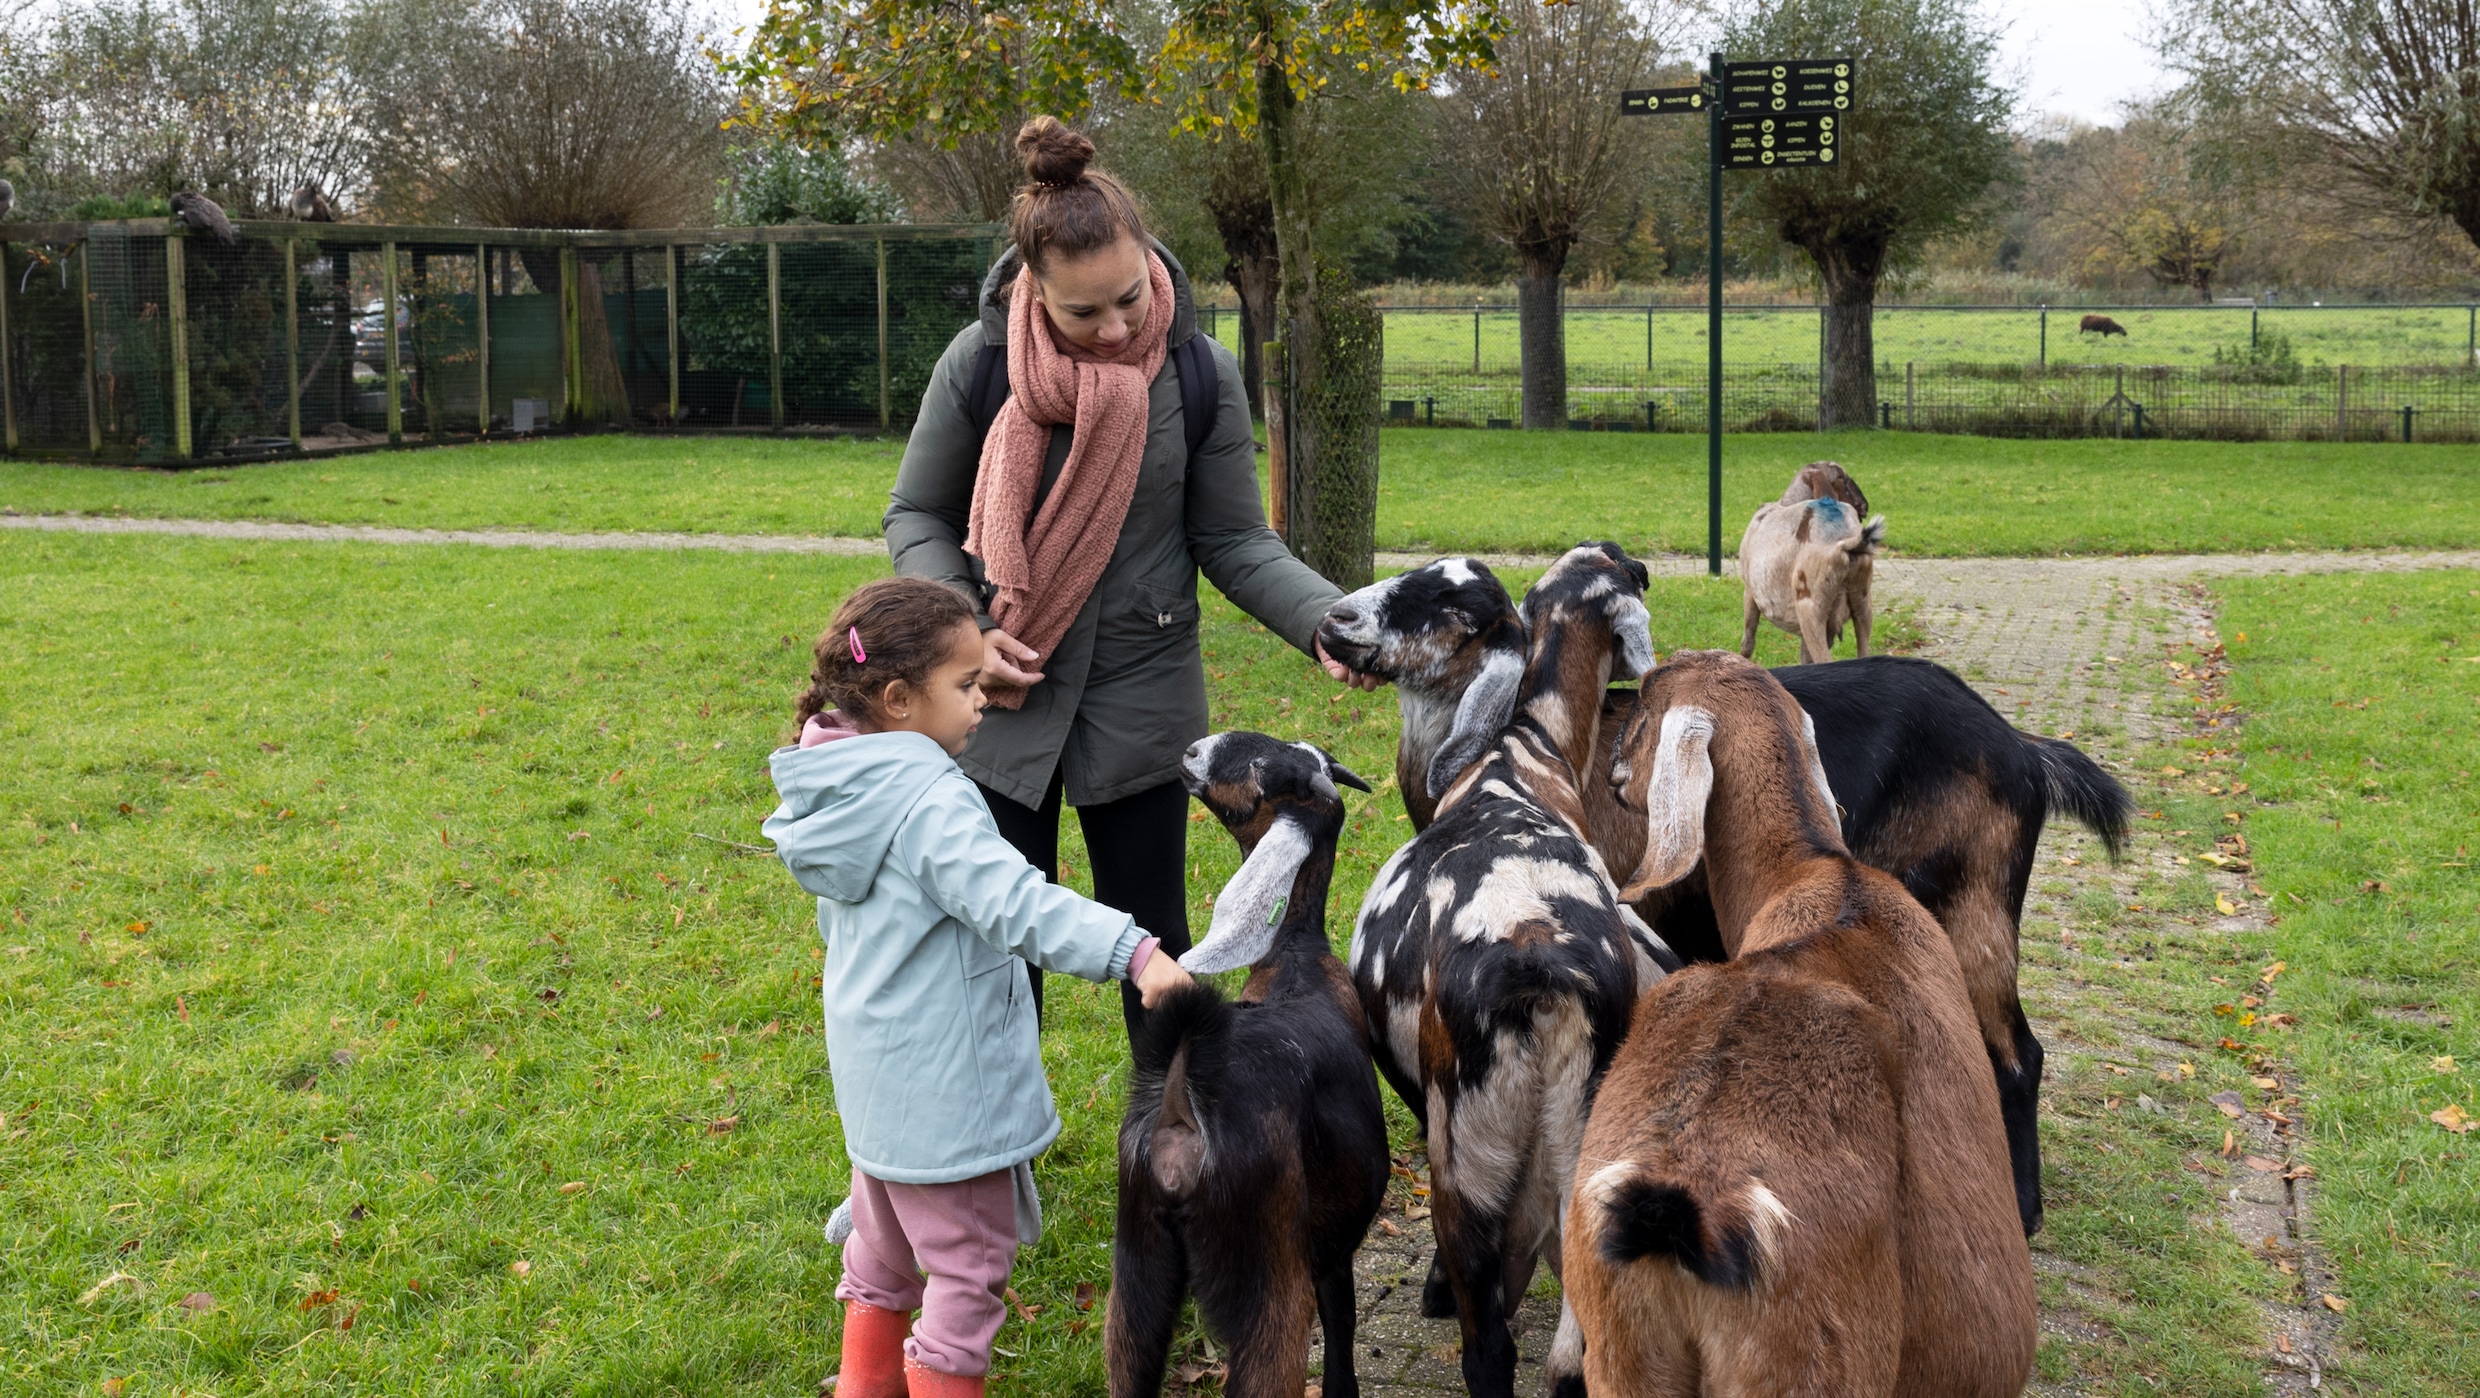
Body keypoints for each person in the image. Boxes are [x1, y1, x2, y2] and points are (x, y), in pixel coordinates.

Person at [885, 116, 1374, 1028]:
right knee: (994, 949)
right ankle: (994, 1162)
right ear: (1032, 285)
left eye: (1131, 298)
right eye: (1084, 312)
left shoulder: (1198, 373)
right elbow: (916, 514)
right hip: (992, 695)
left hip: (1144, 694)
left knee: (1155, 944)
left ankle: (1184, 1145)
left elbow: (1233, 539)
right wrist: (965, 627)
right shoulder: (979, 366)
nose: (1115, 328)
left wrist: (1325, 621)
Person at [762, 576, 1195, 1398]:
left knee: (883, 1253)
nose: (981, 702)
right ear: (897, 699)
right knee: (965, 1273)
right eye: (966, 685)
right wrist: (1135, 952)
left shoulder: (839, 788)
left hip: (877, 1092)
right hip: (946, 1095)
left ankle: (864, 1386)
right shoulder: (928, 802)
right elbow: (1017, 903)